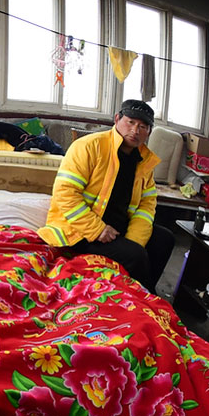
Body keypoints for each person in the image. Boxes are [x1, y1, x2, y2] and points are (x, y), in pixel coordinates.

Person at [37, 99, 174, 293]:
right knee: (136, 256)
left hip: (116, 228)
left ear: (149, 132)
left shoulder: (145, 162)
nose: (135, 130)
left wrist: (134, 240)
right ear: (117, 119)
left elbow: (147, 206)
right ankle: (144, 298)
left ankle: (141, 290)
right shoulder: (88, 146)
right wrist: (97, 229)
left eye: (143, 126)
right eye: (131, 122)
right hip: (80, 230)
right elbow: (65, 194)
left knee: (165, 239)